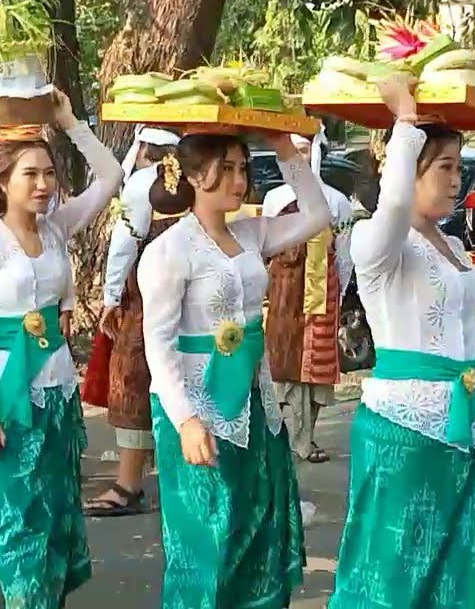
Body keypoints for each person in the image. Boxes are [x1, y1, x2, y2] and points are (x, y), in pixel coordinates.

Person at [329, 76, 475, 609]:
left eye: (458, 165)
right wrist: (403, 121)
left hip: (462, 422)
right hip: (402, 426)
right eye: (443, 166)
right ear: (410, 170)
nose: (456, 179)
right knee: (393, 569)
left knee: (459, 562)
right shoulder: (379, 241)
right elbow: (394, 204)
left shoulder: (450, 245)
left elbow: (466, 347)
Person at [138, 128, 328, 608]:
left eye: (243, 168)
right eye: (226, 169)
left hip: (252, 396)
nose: (239, 179)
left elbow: (319, 214)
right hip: (198, 401)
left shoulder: (250, 232)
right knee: (208, 536)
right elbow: (157, 343)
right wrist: (185, 420)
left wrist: (285, 148)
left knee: (256, 519)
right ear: (193, 176)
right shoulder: (169, 250)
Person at [0, 90, 122, 607]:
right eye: (30, 174)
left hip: (57, 394)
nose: (44, 185)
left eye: (49, 173)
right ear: (0, 181)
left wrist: (69, 121)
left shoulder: (55, 230)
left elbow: (112, 176)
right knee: (19, 516)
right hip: (8, 398)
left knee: (57, 511)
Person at [84, 124, 180, 517]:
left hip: (146, 297)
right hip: (187, 296)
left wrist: (109, 297)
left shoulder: (142, 182)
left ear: (142, 148)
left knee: (132, 382)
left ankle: (128, 484)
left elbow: (125, 242)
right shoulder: (192, 178)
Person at [262, 132, 353, 464]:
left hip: (320, 294)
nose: (297, 160)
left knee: (314, 369)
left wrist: (338, 294)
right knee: (283, 363)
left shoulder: (337, 202)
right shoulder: (274, 199)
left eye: (304, 152)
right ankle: (282, 435)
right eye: (293, 152)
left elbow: (344, 255)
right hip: (284, 293)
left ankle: (306, 436)